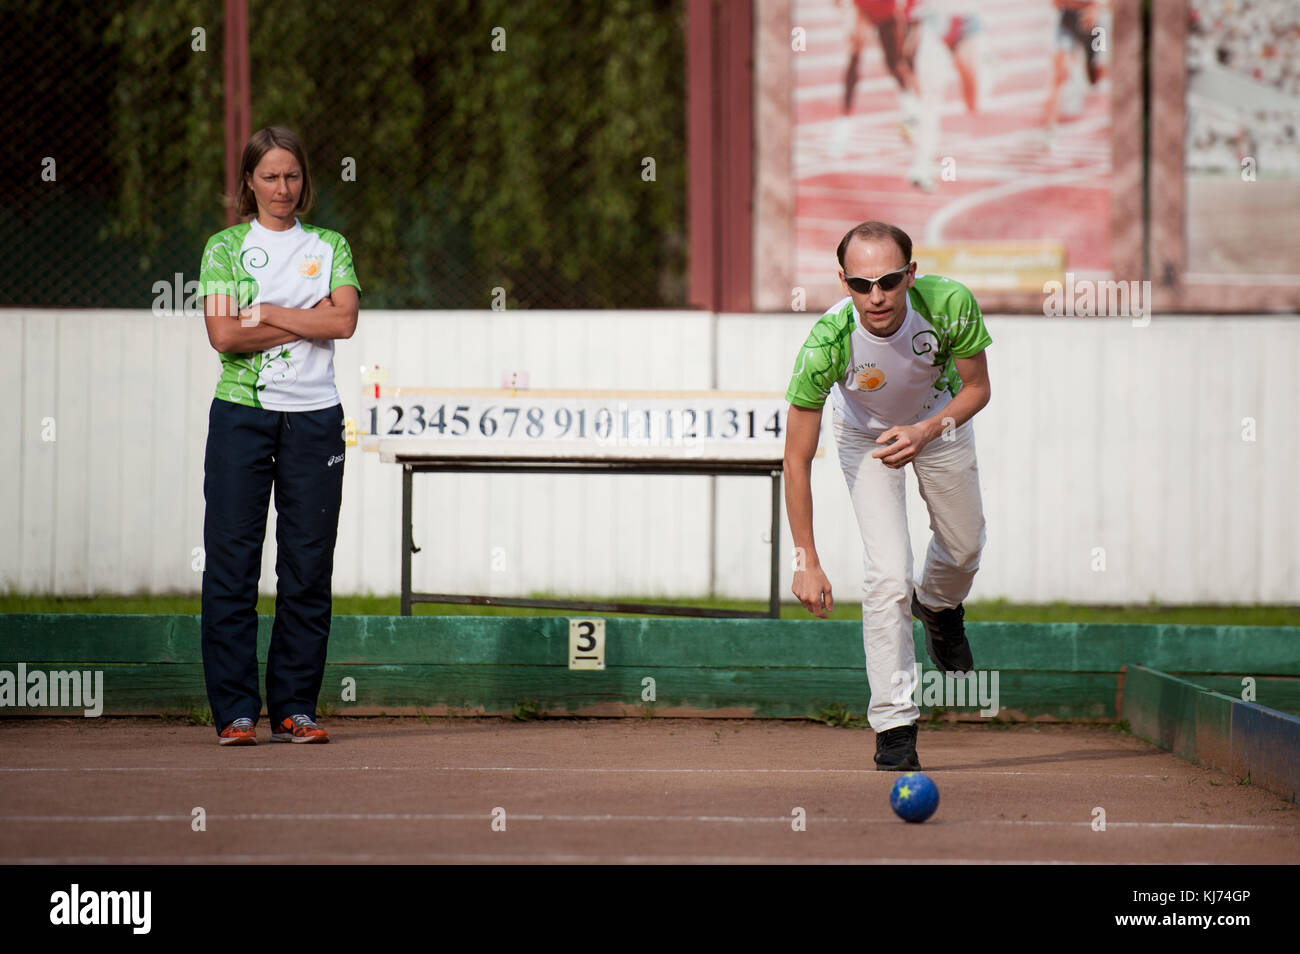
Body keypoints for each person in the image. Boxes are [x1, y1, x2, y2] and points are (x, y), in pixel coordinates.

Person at [782, 220, 991, 770]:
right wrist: (806, 560)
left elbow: (977, 388)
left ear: (910, 274)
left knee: (965, 547)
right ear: (844, 283)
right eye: (860, 284)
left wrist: (925, 431)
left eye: (889, 281)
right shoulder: (826, 343)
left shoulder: (949, 304)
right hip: (864, 436)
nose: (876, 297)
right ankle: (895, 725)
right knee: (889, 575)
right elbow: (796, 459)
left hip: (938, 423)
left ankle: (941, 608)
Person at [198, 126, 361, 746]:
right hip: (241, 416)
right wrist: (305, 319)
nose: (282, 188)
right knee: (233, 564)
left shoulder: (330, 245)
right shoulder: (223, 249)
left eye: (292, 176)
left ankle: (295, 708)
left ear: (304, 180)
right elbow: (223, 337)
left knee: (307, 567)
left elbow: (343, 320)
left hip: (316, 419)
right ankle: (236, 712)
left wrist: (262, 311)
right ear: (248, 182)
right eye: (269, 176)